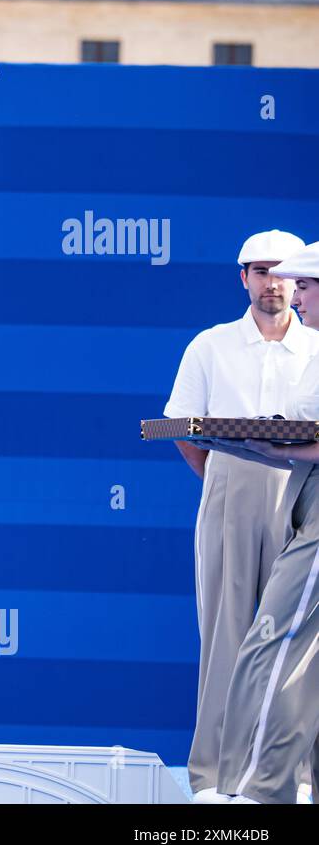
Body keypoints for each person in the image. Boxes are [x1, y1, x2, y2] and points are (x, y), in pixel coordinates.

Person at [161, 230, 319, 800]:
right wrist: (223, 482)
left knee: (295, 643)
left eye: (285, 273)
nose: (273, 283)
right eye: (260, 271)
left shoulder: (318, 343)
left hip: (303, 495)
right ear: (243, 278)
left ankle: (291, 778)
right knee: (225, 636)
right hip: (229, 488)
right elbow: (180, 424)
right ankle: (213, 778)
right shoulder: (211, 345)